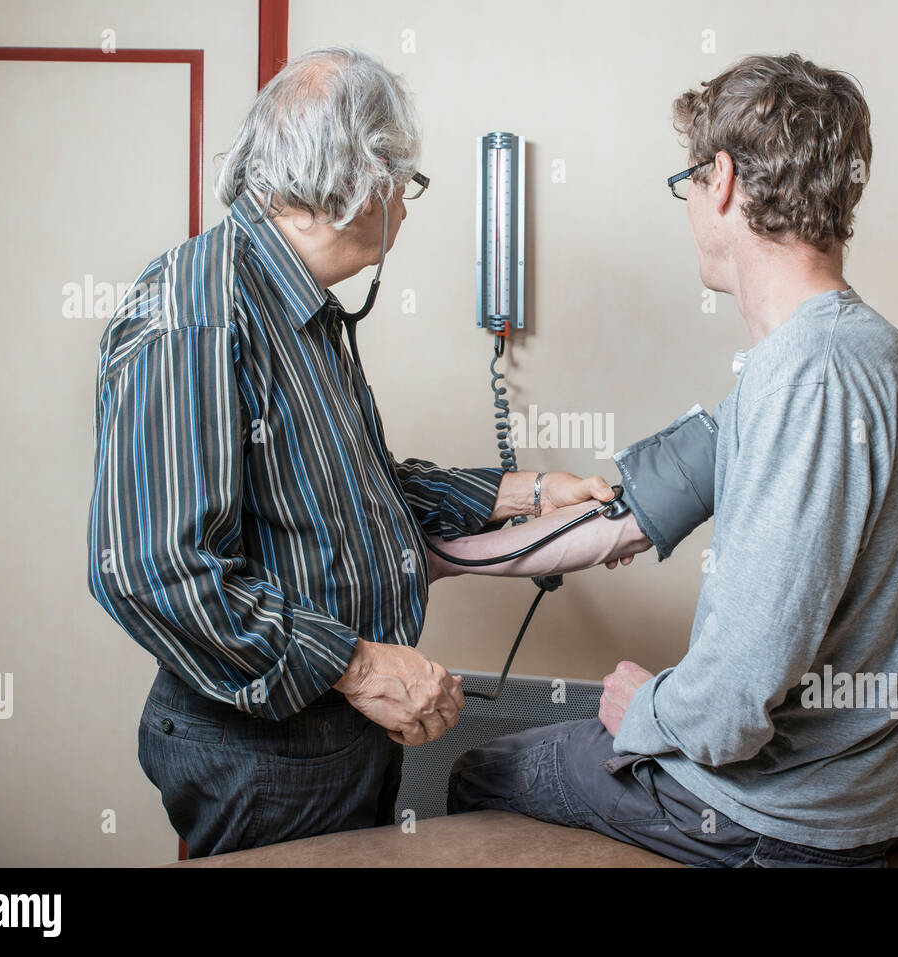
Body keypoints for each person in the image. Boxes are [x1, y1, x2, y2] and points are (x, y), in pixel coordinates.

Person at [86, 46, 618, 858]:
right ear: (367, 180)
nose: (405, 202)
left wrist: (529, 491)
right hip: (265, 751)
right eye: (406, 180)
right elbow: (157, 567)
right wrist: (363, 666)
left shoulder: (298, 310)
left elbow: (358, 494)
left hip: (334, 735)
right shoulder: (199, 311)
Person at [448, 52, 898, 868]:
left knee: (480, 768)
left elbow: (732, 704)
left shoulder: (809, 380)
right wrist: (444, 556)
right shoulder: (850, 349)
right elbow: (637, 508)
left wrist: (643, 704)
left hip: (786, 815)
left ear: (719, 179)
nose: (689, 204)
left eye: (688, 181)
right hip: (855, 796)